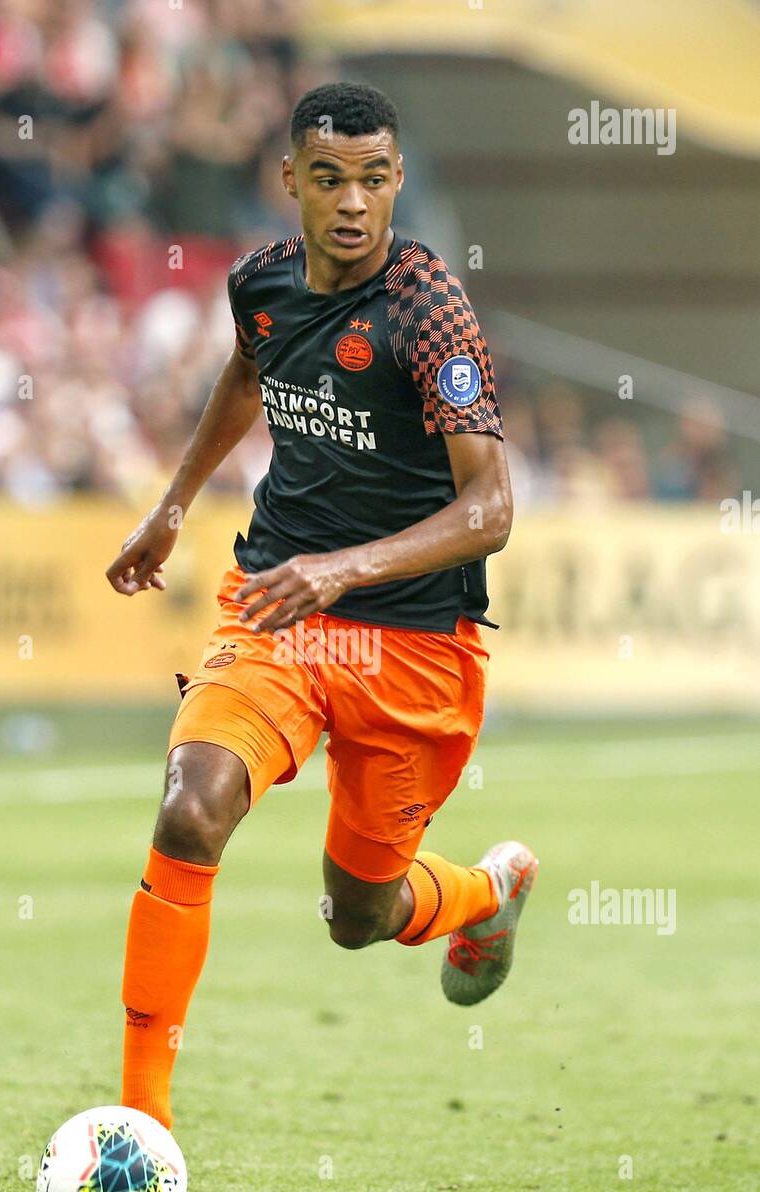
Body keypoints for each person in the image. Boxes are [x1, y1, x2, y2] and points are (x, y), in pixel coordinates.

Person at [106, 82, 538, 1131]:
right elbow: (246, 375)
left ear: (395, 183)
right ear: (289, 180)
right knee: (190, 804)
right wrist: (170, 505)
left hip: (417, 647)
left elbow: (490, 507)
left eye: (376, 179)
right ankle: (138, 1127)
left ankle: (484, 892)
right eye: (331, 179)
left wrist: (347, 568)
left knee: (360, 915)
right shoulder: (259, 283)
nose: (353, 203)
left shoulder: (427, 310)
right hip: (275, 608)